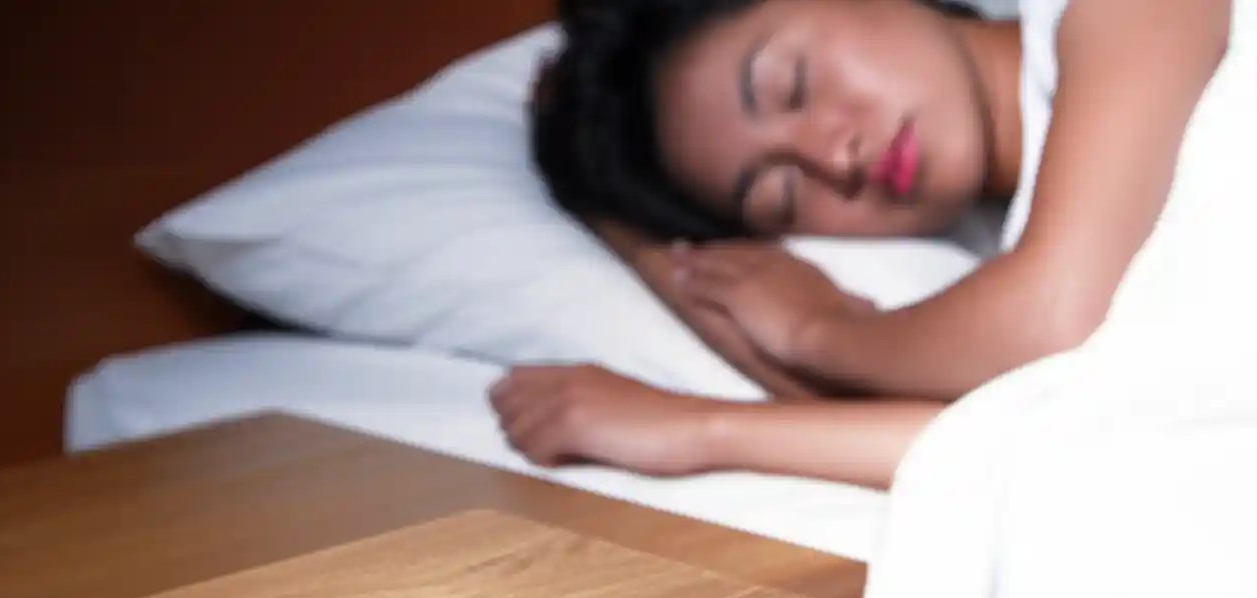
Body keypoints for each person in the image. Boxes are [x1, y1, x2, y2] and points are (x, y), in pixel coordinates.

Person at [490, 0, 1234, 489]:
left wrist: (821, 328)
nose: (834, 156)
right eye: (779, 193)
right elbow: (993, 434)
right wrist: (698, 425)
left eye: (792, 84)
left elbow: (1048, 320)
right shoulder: (1026, 251)